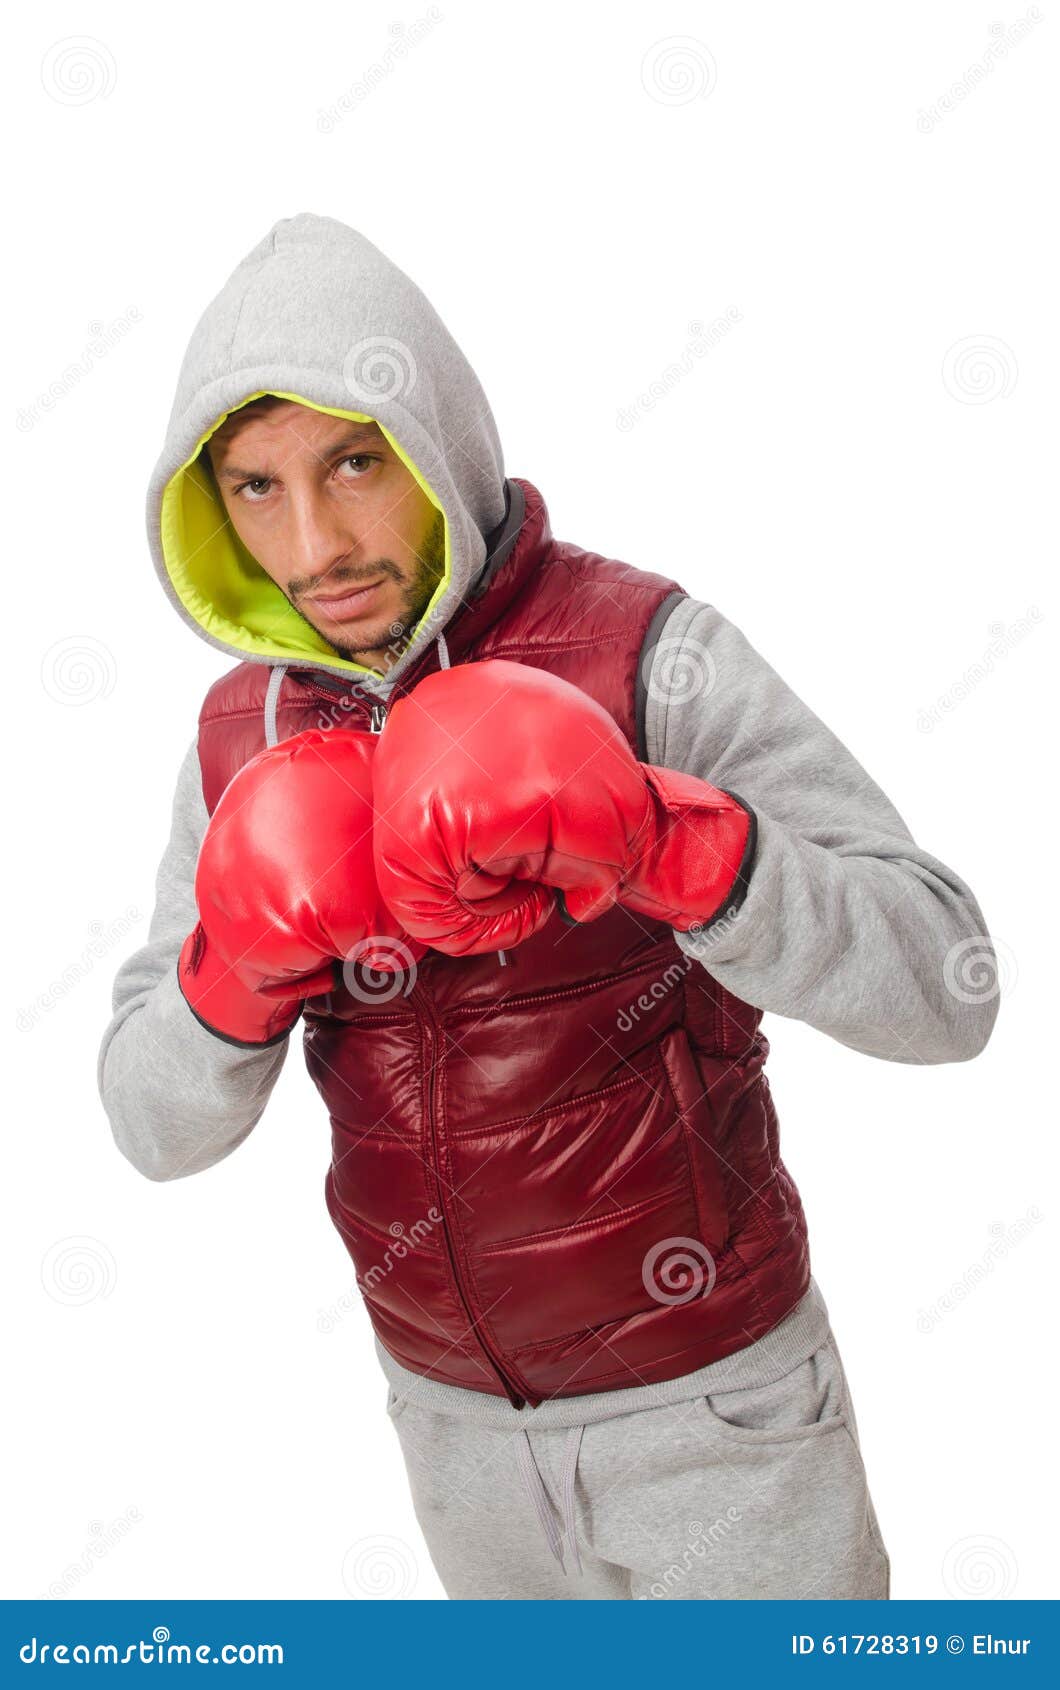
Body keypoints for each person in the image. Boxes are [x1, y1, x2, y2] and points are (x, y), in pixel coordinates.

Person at [98, 211, 1000, 1601]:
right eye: (257, 487)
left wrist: (671, 841)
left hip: (716, 1411)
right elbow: (149, 1125)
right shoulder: (243, 736)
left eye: (354, 463)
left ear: (437, 446)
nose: (316, 543)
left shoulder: (648, 654)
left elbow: (947, 984)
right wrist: (235, 974)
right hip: (452, 1435)